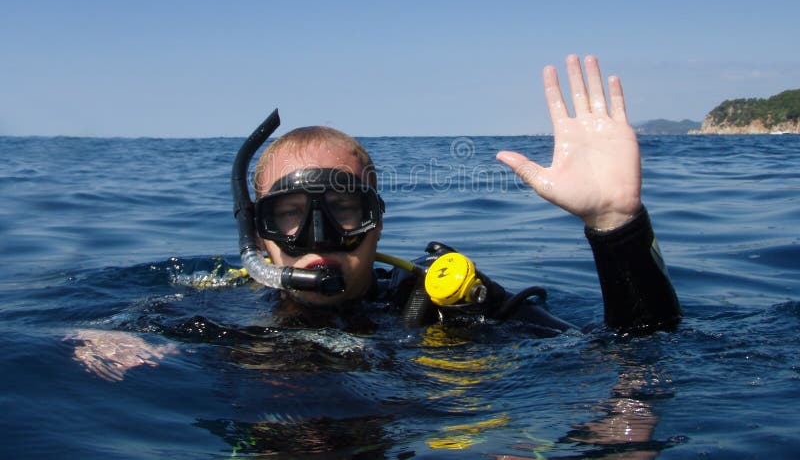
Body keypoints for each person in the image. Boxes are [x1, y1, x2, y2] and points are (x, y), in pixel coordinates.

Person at [69, 54, 680, 380]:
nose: (318, 241)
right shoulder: (210, 311)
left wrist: (615, 226)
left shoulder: (445, 306)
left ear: (378, 223)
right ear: (259, 234)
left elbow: (640, 357)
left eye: (344, 212)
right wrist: (116, 338)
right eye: (288, 217)